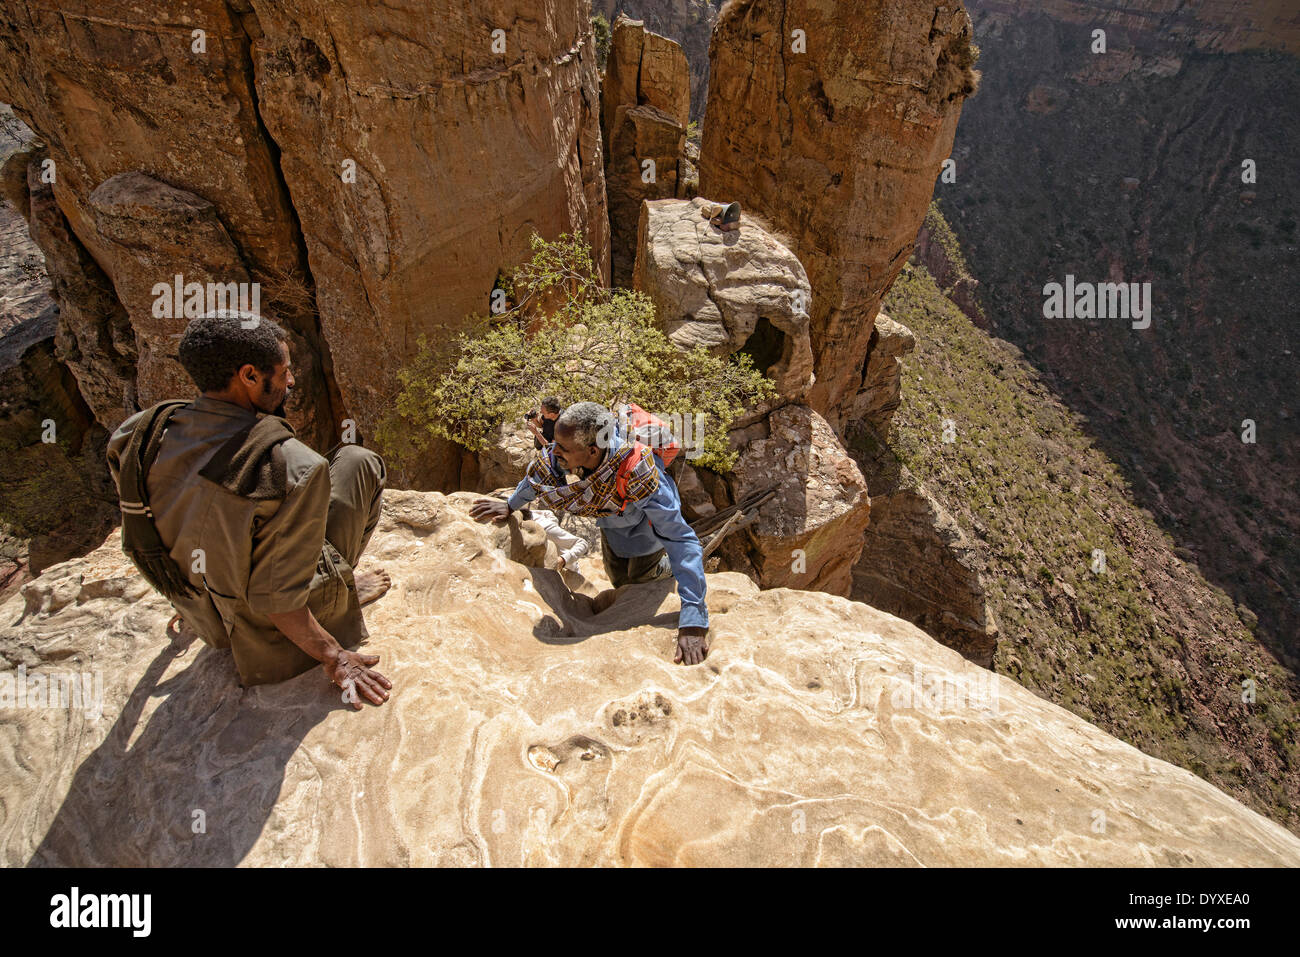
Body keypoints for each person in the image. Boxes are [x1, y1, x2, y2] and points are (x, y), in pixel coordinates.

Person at [106, 311, 392, 708]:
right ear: (250, 376)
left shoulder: (139, 432)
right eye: (284, 370)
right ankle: (338, 596)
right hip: (263, 635)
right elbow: (276, 598)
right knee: (360, 462)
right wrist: (335, 655)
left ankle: (209, 608)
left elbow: (151, 526)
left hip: (201, 610)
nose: (291, 381)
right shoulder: (290, 466)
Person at [470, 402, 710, 664]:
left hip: (647, 525)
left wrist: (694, 617)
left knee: (642, 573)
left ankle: (670, 570)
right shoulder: (568, 451)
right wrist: (509, 504)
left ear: (592, 451)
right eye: (556, 444)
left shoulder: (639, 470)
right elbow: (538, 477)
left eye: (563, 448)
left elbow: (678, 537)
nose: (554, 451)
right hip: (612, 524)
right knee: (619, 579)